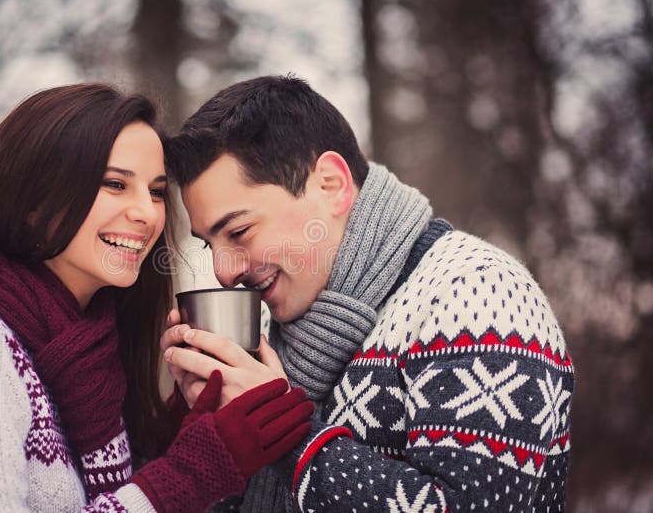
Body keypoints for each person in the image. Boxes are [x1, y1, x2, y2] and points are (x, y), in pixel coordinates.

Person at [161, 75, 574, 512]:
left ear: (331, 185)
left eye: (239, 231)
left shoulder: (479, 295)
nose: (224, 272)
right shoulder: (269, 327)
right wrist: (205, 428)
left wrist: (281, 432)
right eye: (209, 244)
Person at [0, 83, 314, 512]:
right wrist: (193, 472)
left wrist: (186, 423)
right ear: (32, 202)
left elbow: (110, 495)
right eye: (115, 184)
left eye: (156, 191)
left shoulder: (96, 348)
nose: (147, 213)